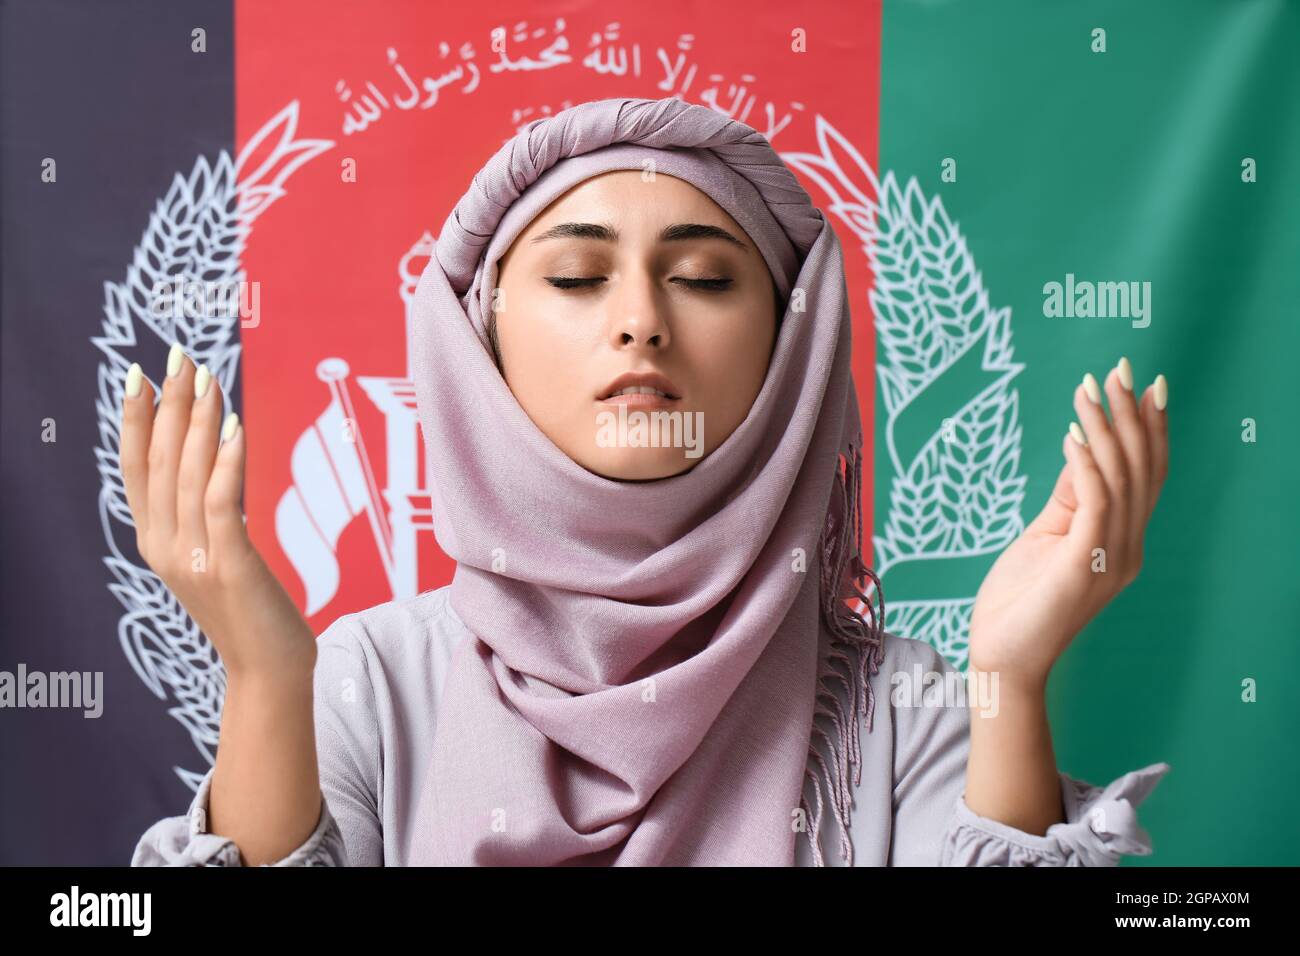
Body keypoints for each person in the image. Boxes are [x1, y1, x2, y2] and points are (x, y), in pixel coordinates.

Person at [125, 96, 1170, 867]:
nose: (640, 320)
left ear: (790, 349)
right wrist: (263, 674)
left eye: (706, 276)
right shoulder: (373, 678)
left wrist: (1012, 674)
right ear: (475, 350)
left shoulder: (902, 703)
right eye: (577, 278)